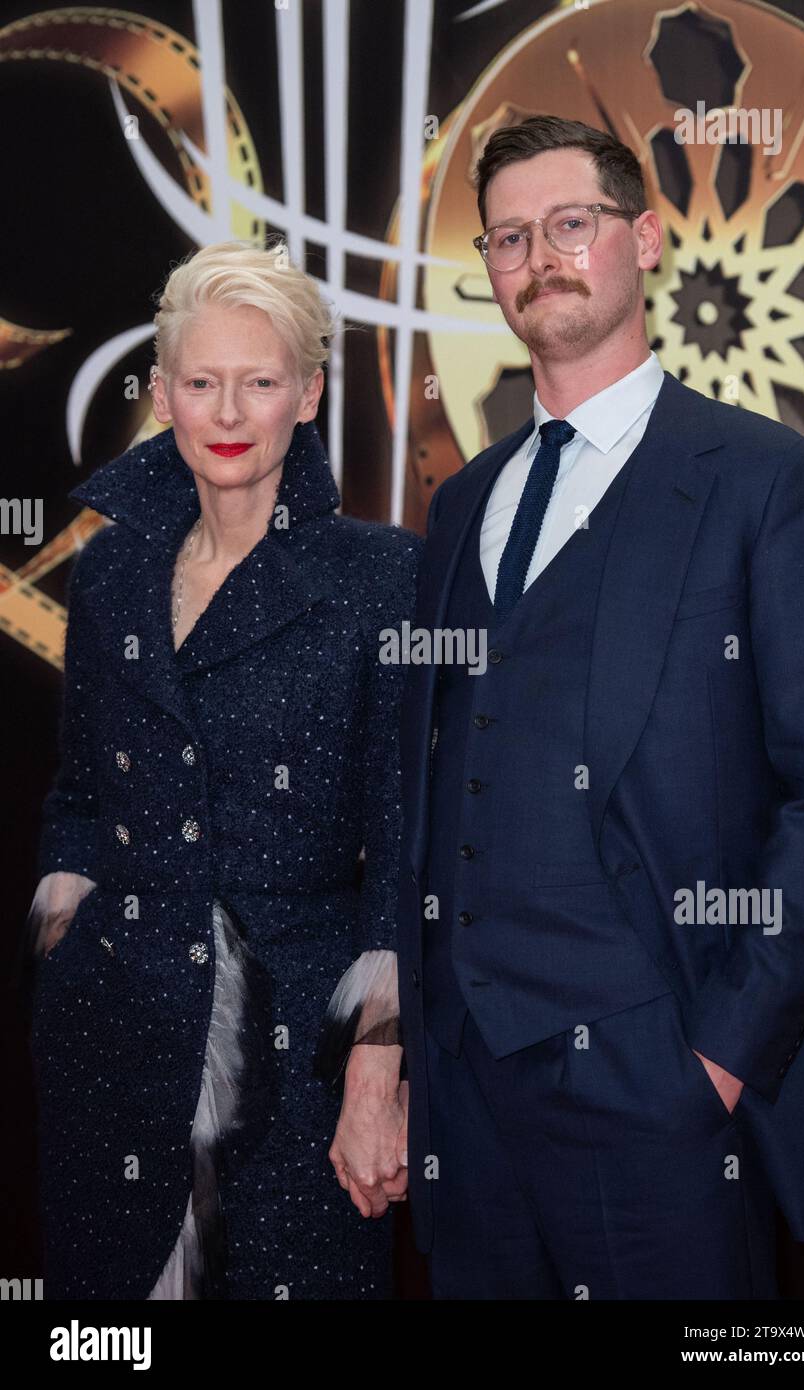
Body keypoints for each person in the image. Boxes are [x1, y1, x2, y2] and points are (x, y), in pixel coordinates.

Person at [394, 116, 804, 1299]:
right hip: (467, 1096)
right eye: (507, 237)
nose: (538, 256)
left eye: (569, 223)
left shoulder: (768, 480)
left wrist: (714, 1057)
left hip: (662, 1101)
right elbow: (421, 787)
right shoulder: (463, 506)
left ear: (644, 240)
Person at [23, 238, 419, 1299]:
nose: (229, 411)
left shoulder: (382, 578)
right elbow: (78, 794)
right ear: (162, 397)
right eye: (201, 382)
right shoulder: (110, 570)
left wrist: (376, 1065)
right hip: (114, 1040)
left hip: (300, 1062)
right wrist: (64, 933)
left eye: (259, 381)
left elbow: (404, 846)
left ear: (309, 392)